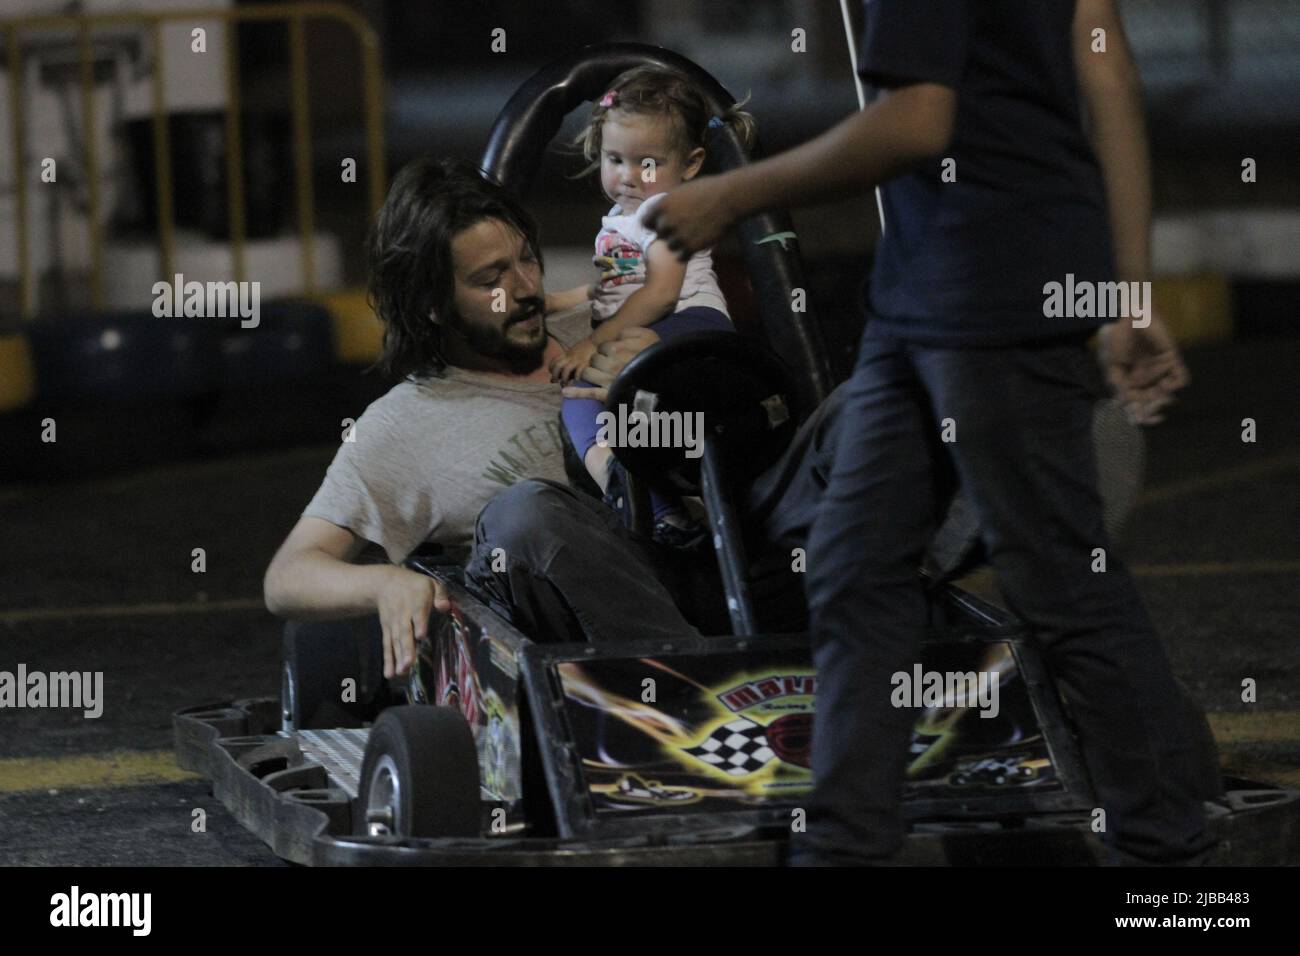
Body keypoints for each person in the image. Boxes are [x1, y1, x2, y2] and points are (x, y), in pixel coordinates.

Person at [645, 0, 1213, 864]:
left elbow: (915, 123)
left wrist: (733, 191)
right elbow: (1108, 69)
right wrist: (1127, 289)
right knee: (854, 561)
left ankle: (1168, 857)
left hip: (986, 297)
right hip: (924, 298)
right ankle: (844, 845)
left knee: (1060, 580)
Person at [262, 157, 662, 678]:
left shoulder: (607, 325)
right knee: (524, 514)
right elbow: (288, 575)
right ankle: (689, 678)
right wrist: (385, 582)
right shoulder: (405, 423)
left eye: (527, 260)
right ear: (432, 303)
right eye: (490, 278)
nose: (525, 289)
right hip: (586, 657)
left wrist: (662, 368)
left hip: (693, 560)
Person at [545, 66, 756, 548]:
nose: (627, 176)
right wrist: (558, 300)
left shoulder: (666, 211)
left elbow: (660, 291)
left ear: (691, 163)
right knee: (581, 396)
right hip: (650, 326)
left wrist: (594, 340)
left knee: (604, 371)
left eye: (647, 163)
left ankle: (645, 485)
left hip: (692, 323)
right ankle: (634, 489)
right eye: (615, 158)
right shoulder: (618, 220)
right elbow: (618, 286)